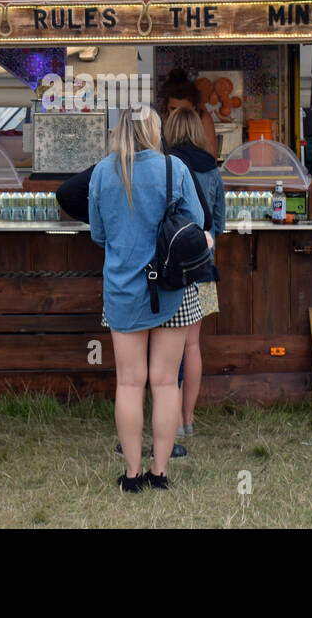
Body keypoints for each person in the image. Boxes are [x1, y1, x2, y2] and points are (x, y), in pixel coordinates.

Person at [89, 107, 207, 491]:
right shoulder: (175, 169)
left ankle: (132, 474)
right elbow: (196, 227)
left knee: (128, 384)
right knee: (163, 383)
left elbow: (99, 235)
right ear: (153, 130)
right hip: (171, 287)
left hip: (123, 290)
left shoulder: (103, 172)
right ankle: (160, 472)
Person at [163, 107, 227, 440]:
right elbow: (221, 223)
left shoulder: (165, 165)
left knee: (169, 348)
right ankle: (188, 420)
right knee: (192, 345)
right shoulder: (212, 169)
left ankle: (170, 420)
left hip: (173, 268)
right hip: (204, 266)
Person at [162, 67, 218, 158]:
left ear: (194, 107)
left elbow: (212, 157)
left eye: (185, 110)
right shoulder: (161, 118)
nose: (178, 115)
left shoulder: (203, 118)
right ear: (166, 107)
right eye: (173, 109)